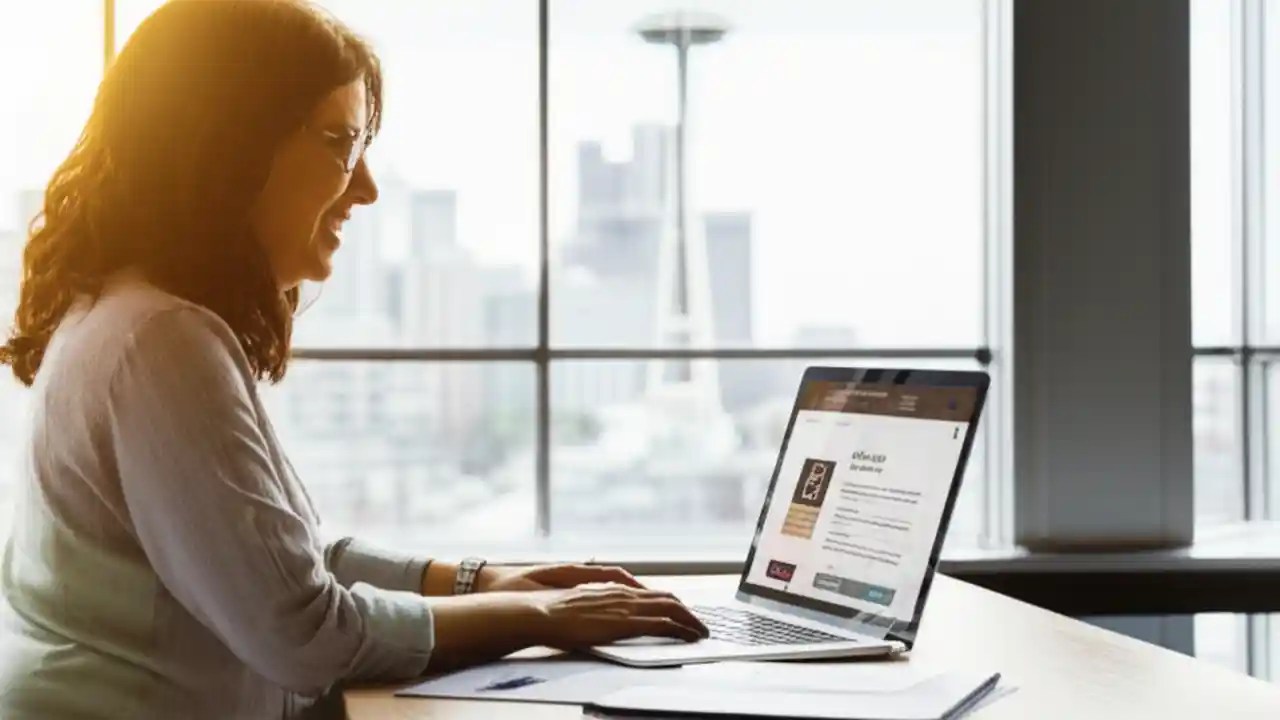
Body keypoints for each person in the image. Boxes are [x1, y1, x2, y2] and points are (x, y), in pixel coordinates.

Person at [0, 2, 707, 718]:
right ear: (227, 144)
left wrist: (480, 582)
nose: (364, 186)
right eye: (341, 141)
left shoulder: (132, 317)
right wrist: (540, 619)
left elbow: (282, 561)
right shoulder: (161, 341)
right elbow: (304, 633)